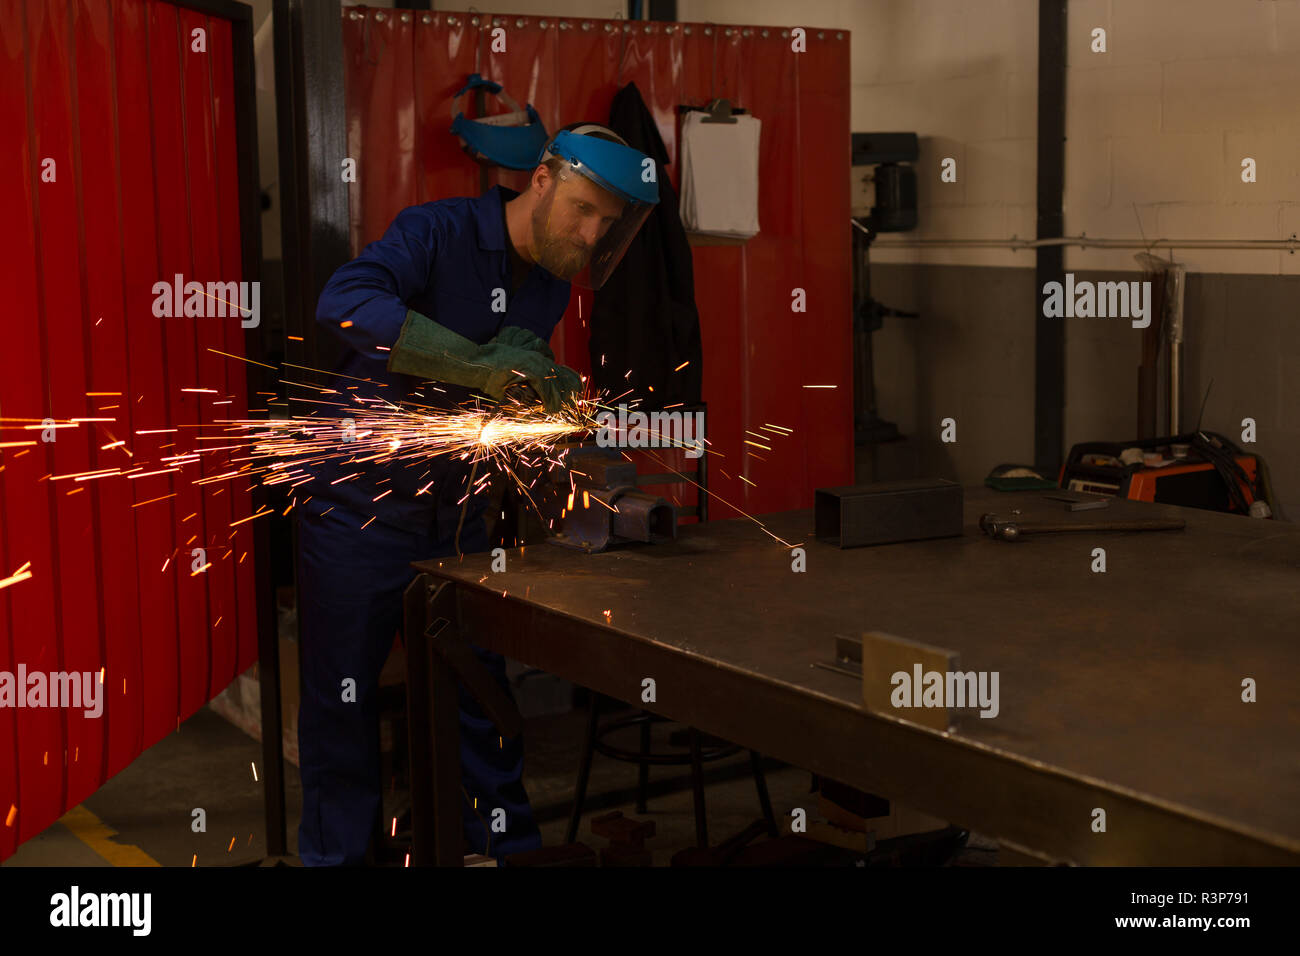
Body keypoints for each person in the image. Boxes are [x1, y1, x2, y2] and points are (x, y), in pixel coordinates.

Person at [296, 123, 659, 865]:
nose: (591, 234)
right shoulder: (437, 231)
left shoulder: (551, 279)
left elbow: (506, 382)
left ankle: (503, 855)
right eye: (584, 209)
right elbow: (344, 299)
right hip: (358, 514)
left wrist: (540, 404)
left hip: (459, 519)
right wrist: (474, 365)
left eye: (607, 224)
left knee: (481, 705)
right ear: (544, 178)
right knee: (344, 713)